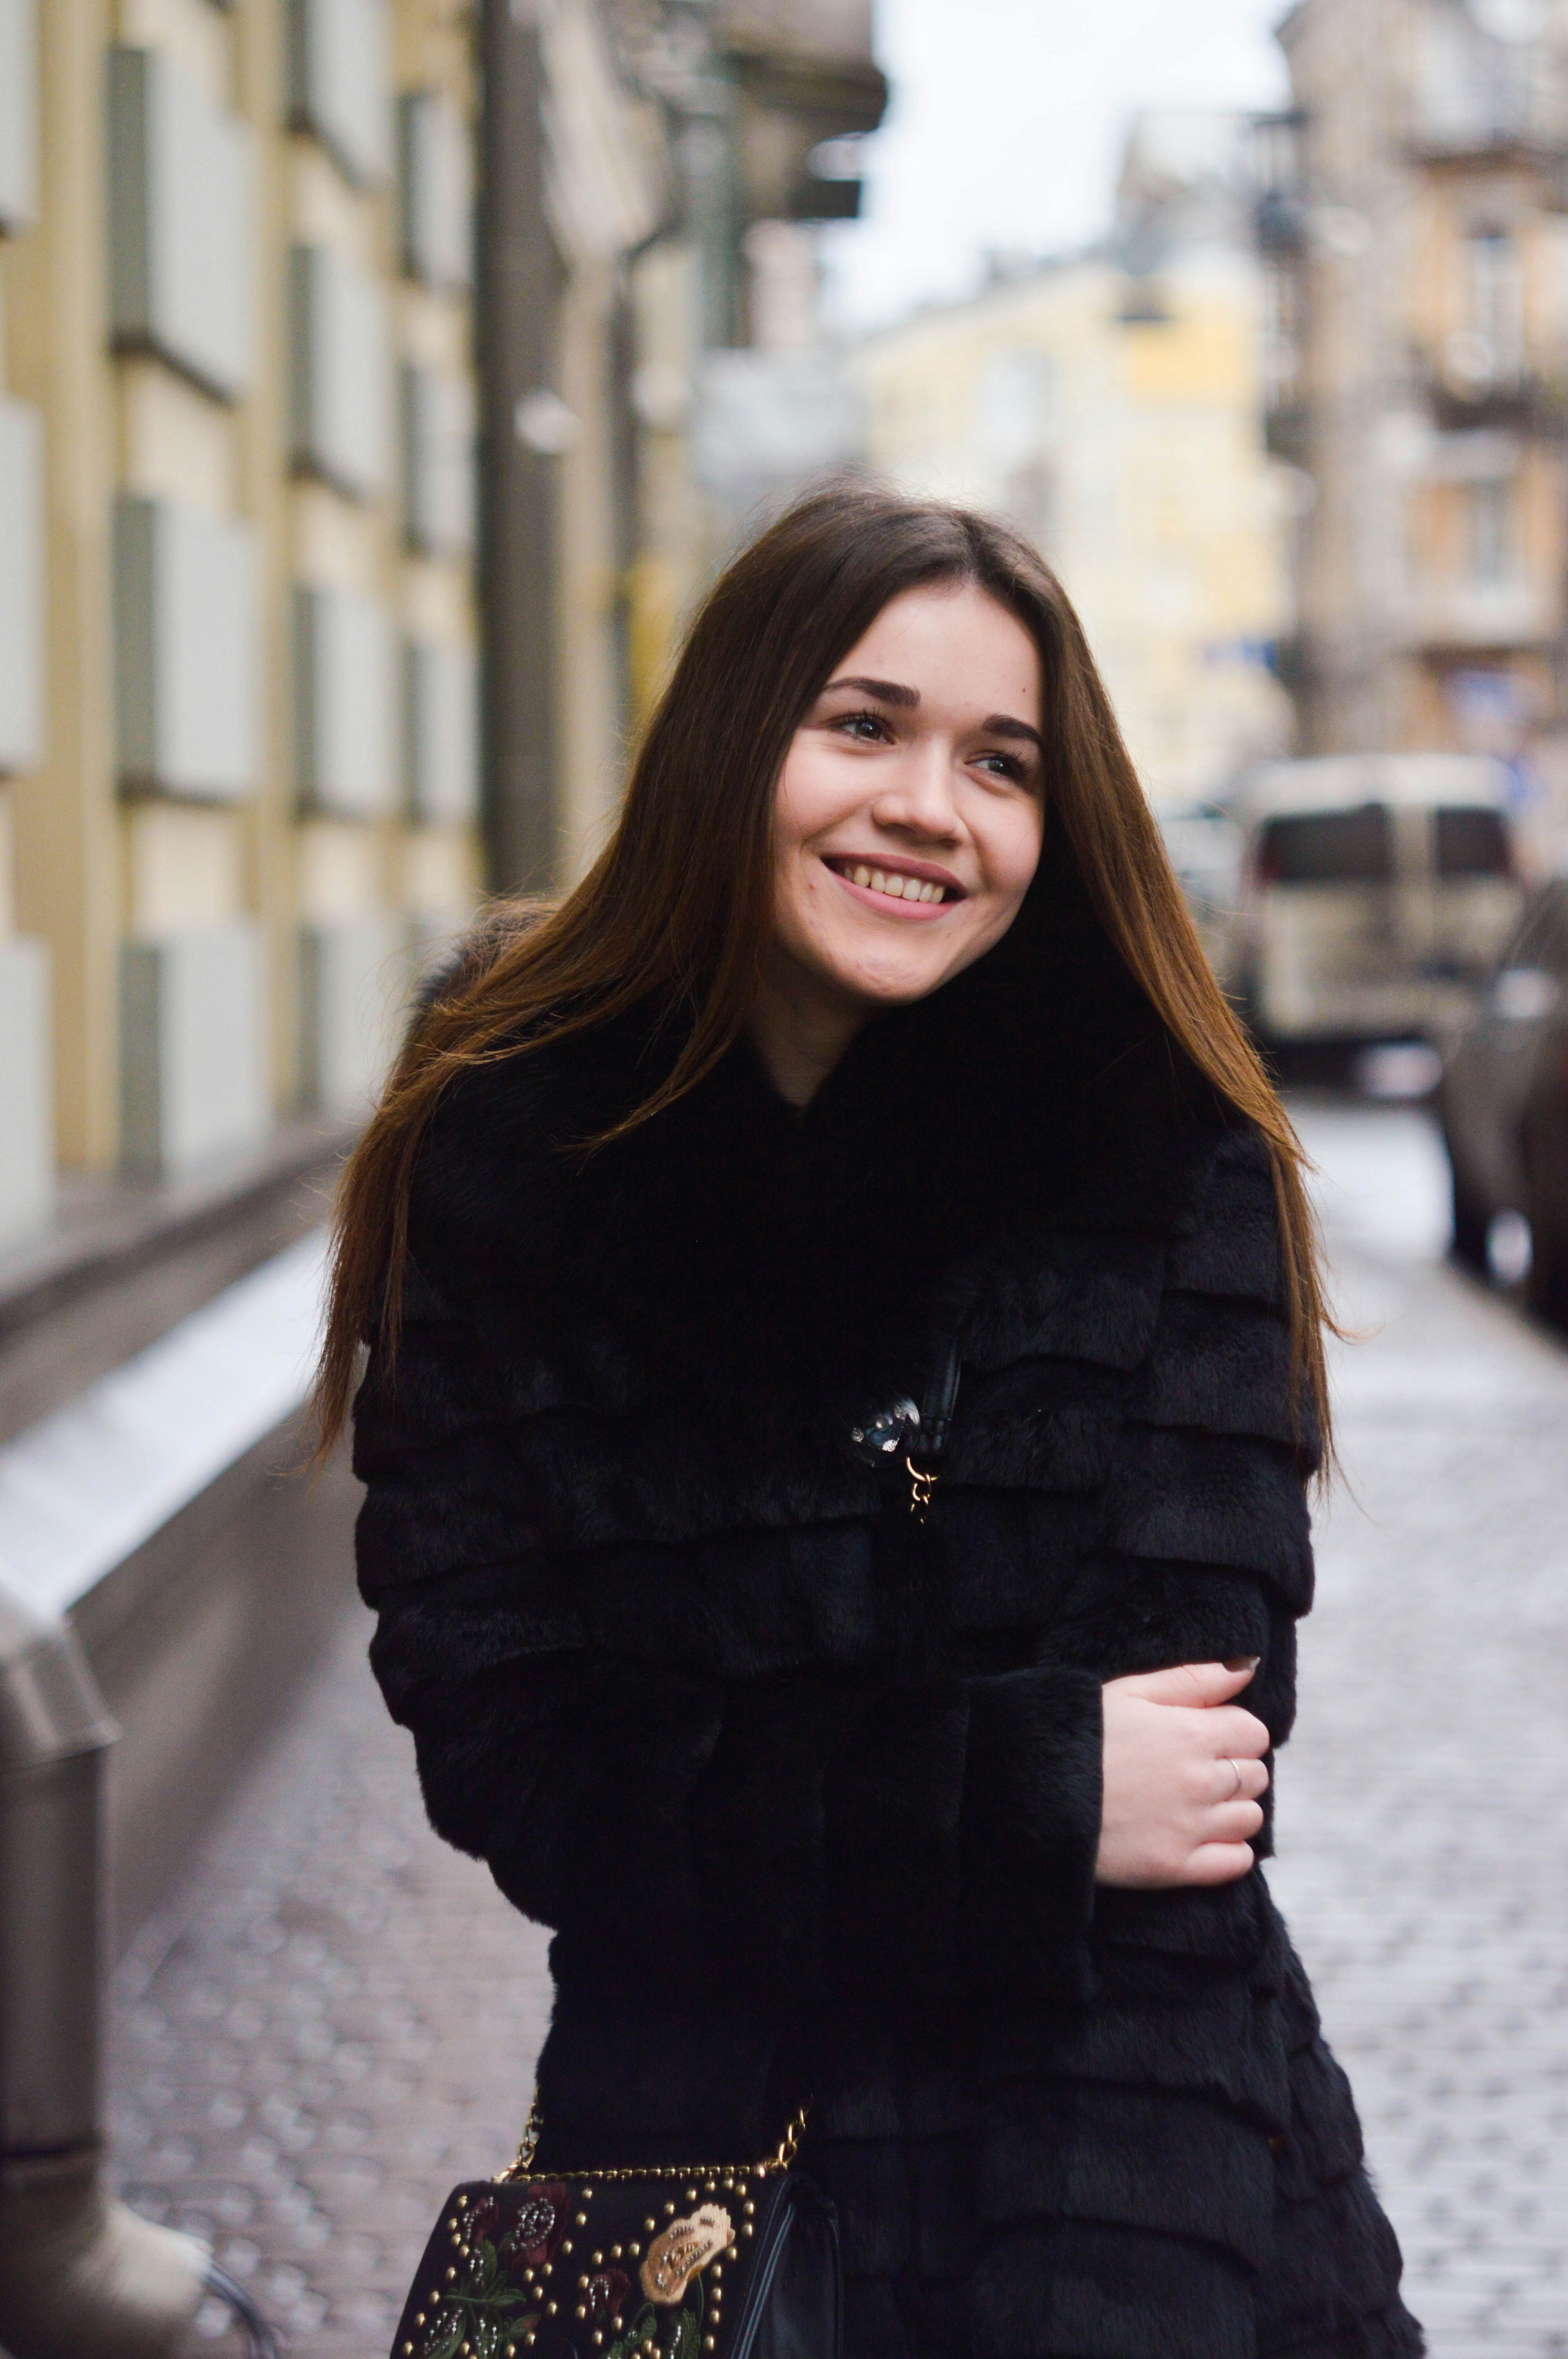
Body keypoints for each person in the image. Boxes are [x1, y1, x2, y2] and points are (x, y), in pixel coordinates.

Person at [317, 487, 1422, 2359]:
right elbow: (520, 1757)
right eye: (864, 725)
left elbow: (1184, 1810)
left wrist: (761, 1794)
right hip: (690, 2199)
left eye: (1001, 763)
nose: (929, 805)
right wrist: (1025, 1794)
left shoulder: (1157, 1152)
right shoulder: (513, 1151)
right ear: (730, 739)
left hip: (1134, 2190)